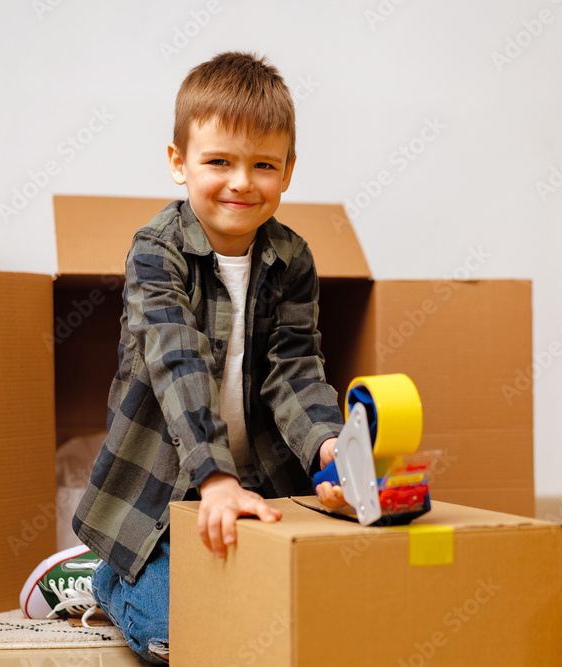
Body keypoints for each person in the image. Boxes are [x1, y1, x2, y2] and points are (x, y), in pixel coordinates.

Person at [19, 51, 347, 664]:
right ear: (179, 163)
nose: (242, 182)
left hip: (266, 487)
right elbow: (177, 361)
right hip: (169, 489)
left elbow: (297, 370)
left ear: (289, 171)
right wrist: (215, 479)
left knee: (313, 613)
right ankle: (104, 577)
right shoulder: (155, 253)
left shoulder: (294, 260)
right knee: (182, 637)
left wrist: (331, 449)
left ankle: (206, 538)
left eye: (263, 165)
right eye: (219, 161)